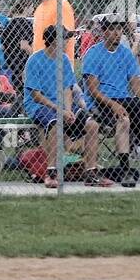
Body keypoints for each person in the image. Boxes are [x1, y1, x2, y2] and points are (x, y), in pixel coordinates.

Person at [24, 26, 113, 188]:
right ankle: (51, 173)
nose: (67, 41)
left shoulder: (64, 59)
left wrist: (69, 110)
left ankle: (91, 173)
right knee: (55, 123)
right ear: (54, 41)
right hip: (39, 106)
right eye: (65, 38)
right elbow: (36, 95)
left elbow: (67, 88)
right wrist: (61, 111)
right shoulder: (35, 60)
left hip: (61, 107)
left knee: (92, 124)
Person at [82, 16, 140, 185]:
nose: (117, 33)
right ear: (103, 32)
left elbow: (136, 85)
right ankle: (125, 171)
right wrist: (113, 104)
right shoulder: (93, 53)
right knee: (123, 119)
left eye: (119, 29)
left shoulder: (126, 53)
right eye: (112, 29)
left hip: (125, 100)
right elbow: (93, 90)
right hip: (103, 102)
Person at [32, 0, 76, 64]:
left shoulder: (61, 4)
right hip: (39, 64)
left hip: (57, 65)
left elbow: (65, 37)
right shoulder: (39, 8)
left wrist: (51, 61)